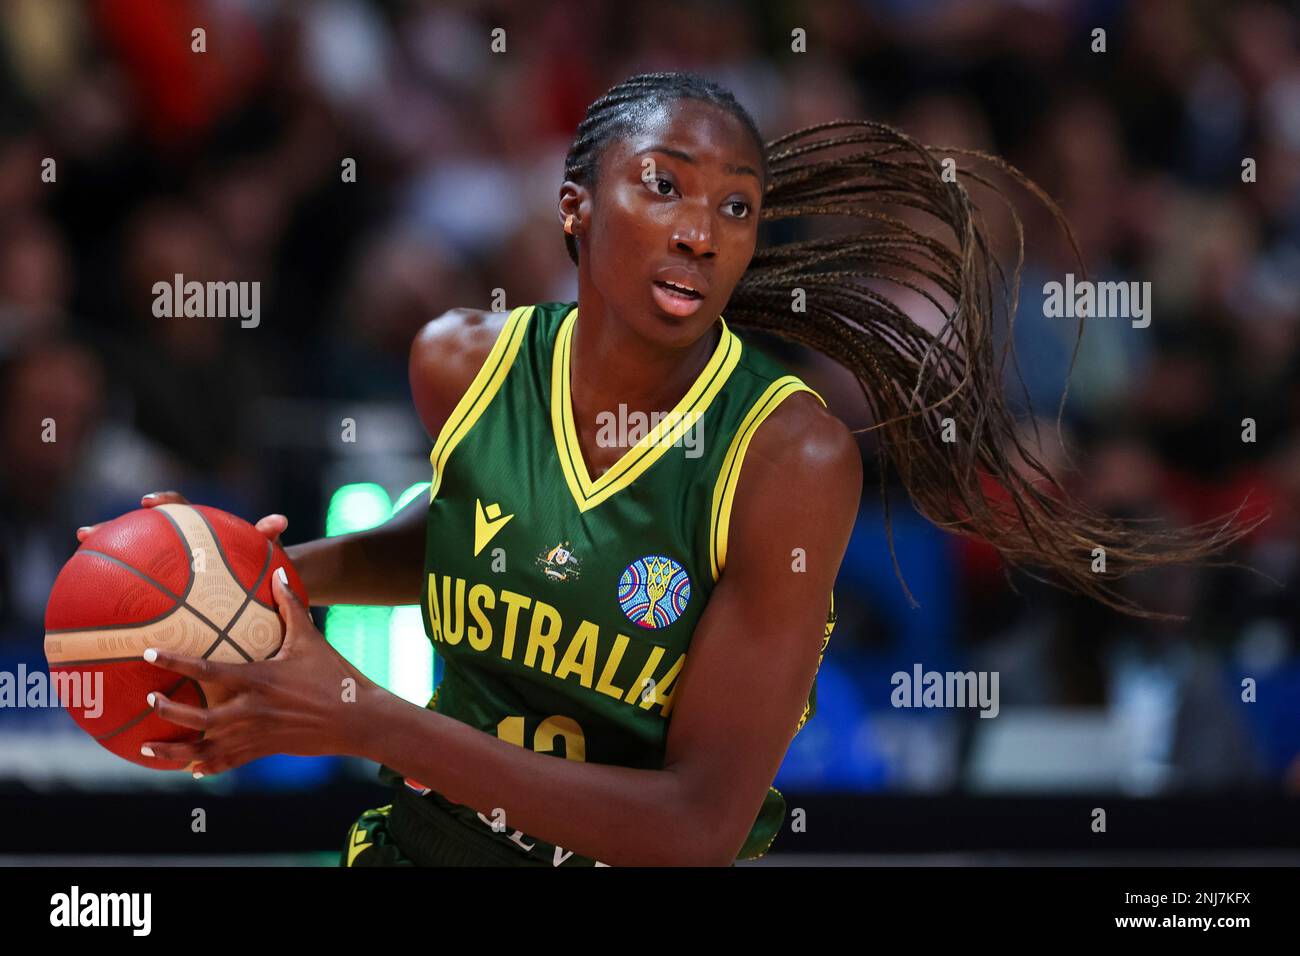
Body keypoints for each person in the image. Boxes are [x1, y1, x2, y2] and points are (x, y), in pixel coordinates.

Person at [76, 72, 1249, 866]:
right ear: (574, 210)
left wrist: (360, 715)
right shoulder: (459, 362)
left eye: (736, 207)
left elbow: (694, 823)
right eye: (666, 186)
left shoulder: (788, 454)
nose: (703, 228)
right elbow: (485, 527)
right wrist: (266, 572)